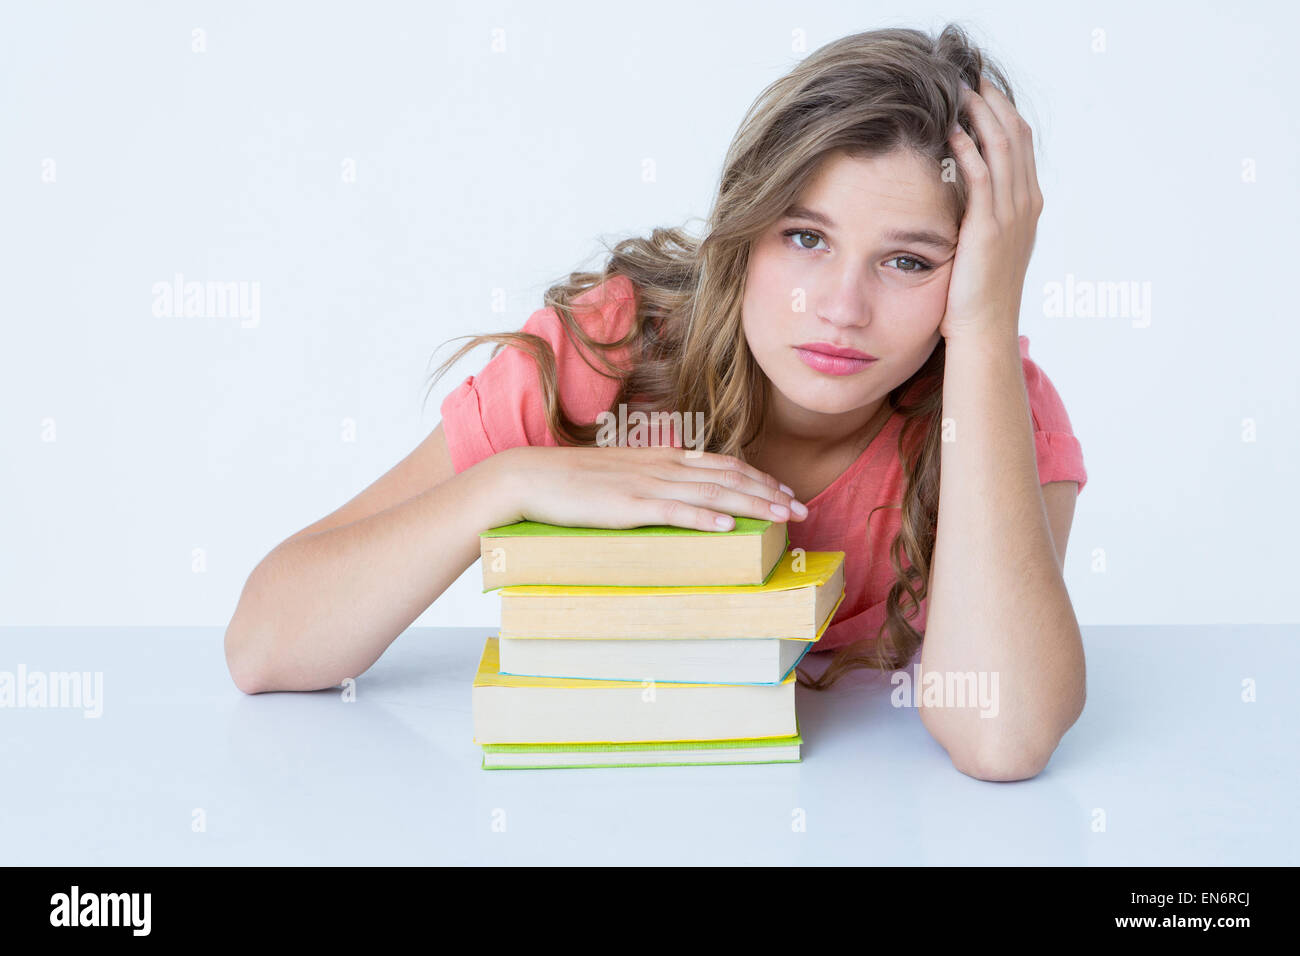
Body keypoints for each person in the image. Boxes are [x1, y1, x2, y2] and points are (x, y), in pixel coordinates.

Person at [225, 24, 1088, 781]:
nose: (840, 308)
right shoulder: (611, 352)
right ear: (742, 233)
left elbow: (1002, 736)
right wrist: (508, 484)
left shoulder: (999, 414)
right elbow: (265, 644)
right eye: (804, 237)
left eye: (909, 261)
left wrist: (983, 328)